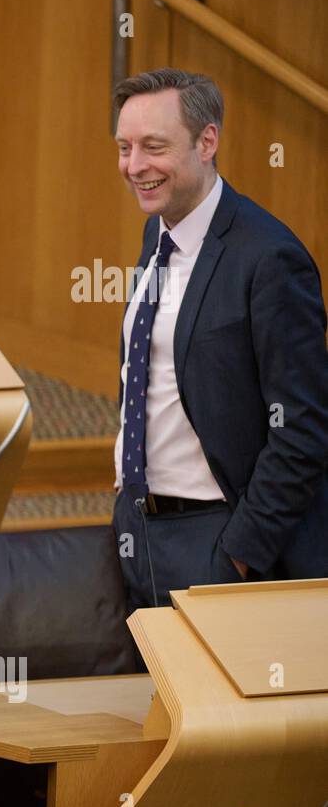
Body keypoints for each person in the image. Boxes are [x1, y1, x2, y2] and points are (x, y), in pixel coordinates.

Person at [110, 68, 328, 612]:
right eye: (124, 147)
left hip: (216, 542)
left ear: (207, 141)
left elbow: (302, 430)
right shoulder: (158, 231)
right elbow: (154, 370)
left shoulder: (270, 259)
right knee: (145, 697)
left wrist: (237, 554)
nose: (134, 166)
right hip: (139, 530)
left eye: (153, 147)